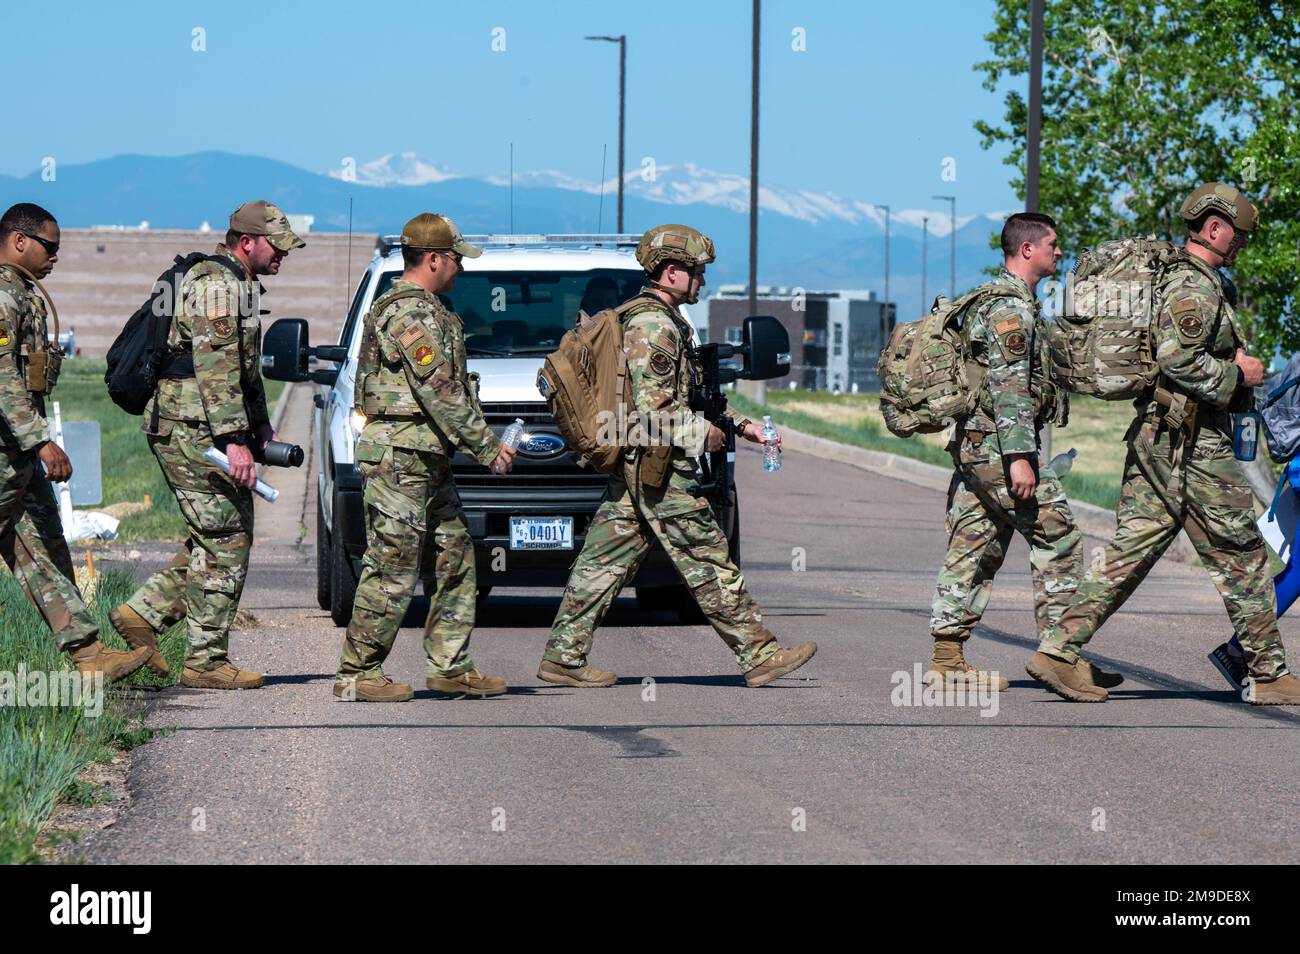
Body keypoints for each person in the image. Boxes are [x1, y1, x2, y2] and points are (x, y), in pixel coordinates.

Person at [1029, 183, 1300, 705]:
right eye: (1238, 234)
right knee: (1240, 551)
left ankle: (1058, 651)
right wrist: (1238, 375)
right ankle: (1268, 674)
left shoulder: (1191, 279)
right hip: (1192, 442)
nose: (1241, 243)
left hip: (1164, 439)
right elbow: (1179, 360)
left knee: (1130, 549)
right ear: (1214, 227)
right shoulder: (1192, 287)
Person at [538, 223, 816, 688]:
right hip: (656, 463)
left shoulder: (660, 321)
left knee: (603, 563)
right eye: (696, 273)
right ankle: (759, 653)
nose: (701, 282)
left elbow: (685, 397)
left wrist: (743, 428)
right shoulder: (654, 325)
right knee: (706, 554)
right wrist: (700, 433)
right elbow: (654, 408)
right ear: (671, 273)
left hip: (639, 461)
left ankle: (563, 658)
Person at [110, 201, 303, 689]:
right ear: (246, 242)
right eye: (276, 245)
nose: (282, 254)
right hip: (189, 428)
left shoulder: (238, 284)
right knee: (226, 535)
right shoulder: (218, 286)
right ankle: (205, 662)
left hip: (197, 424)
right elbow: (216, 370)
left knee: (215, 532)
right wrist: (235, 441)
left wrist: (259, 427)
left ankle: (144, 614)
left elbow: (244, 368)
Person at [924, 212, 1119, 694]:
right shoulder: (1011, 309)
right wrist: (1020, 457)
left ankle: (947, 659)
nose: (1059, 251)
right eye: (1052, 244)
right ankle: (1060, 657)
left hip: (974, 445)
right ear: (1027, 249)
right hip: (997, 446)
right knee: (1060, 537)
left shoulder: (996, 300)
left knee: (975, 543)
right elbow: (1008, 386)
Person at [334, 213, 515, 702]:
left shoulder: (428, 309)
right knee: (392, 564)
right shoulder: (411, 315)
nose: (461, 269)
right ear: (433, 259)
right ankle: (358, 673)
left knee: (454, 556)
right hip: (400, 459)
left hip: (426, 459)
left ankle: (450, 667)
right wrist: (486, 445)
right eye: (456, 259)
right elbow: (438, 389)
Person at [0, 203, 150, 682]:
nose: (56, 257)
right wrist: (41, 441)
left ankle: (89, 657)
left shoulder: (21, 292)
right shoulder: (2, 294)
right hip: (11, 446)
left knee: (45, 548)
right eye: (50, 247)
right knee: (38, 547)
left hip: (16, 453)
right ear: (19, 240)